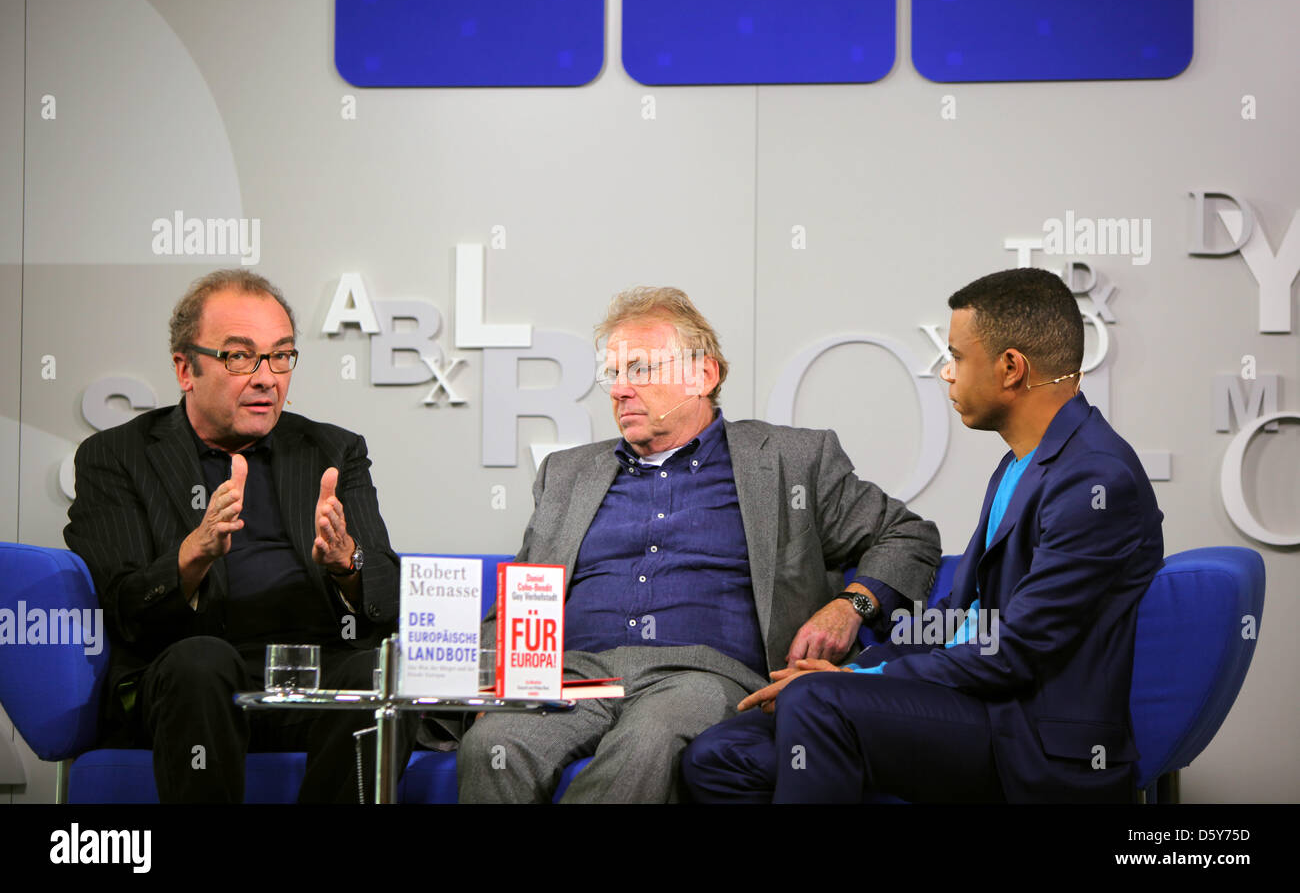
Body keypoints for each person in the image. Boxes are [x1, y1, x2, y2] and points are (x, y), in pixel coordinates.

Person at [682, 267, 1165, 803]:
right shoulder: (1017, 465)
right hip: (975, 710)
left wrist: (860, 682)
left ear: (1010, 368)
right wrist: (852, 667)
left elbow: (1015, 650)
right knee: (718, 755)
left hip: (1029, 738)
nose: (947, 374)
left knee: (817, 704)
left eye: (957, 357)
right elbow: (965, 625)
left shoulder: (1096, 478)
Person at [457, 286, 940, 803]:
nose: (620, 389)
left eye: (639, 370)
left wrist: (851, 606)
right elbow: (521, 593)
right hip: (573, 678)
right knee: (492, 743)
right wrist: (493, 676)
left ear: (702, 375)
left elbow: (909, 535)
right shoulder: (568, 472)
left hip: (702, 676)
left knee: (649, 741)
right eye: (613, 373)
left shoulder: (791, 459)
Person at [65, 269, 413, 803]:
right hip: (192, 689)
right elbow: (123, 607)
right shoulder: (117, 456)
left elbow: (387, 598)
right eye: (239, 356)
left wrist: (348, 561)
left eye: (280, 356)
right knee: (201, 660)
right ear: (186, 368)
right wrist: (192, 555)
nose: (266, 377)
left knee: (384, 674)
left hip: (311, 684)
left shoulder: (332, 451)